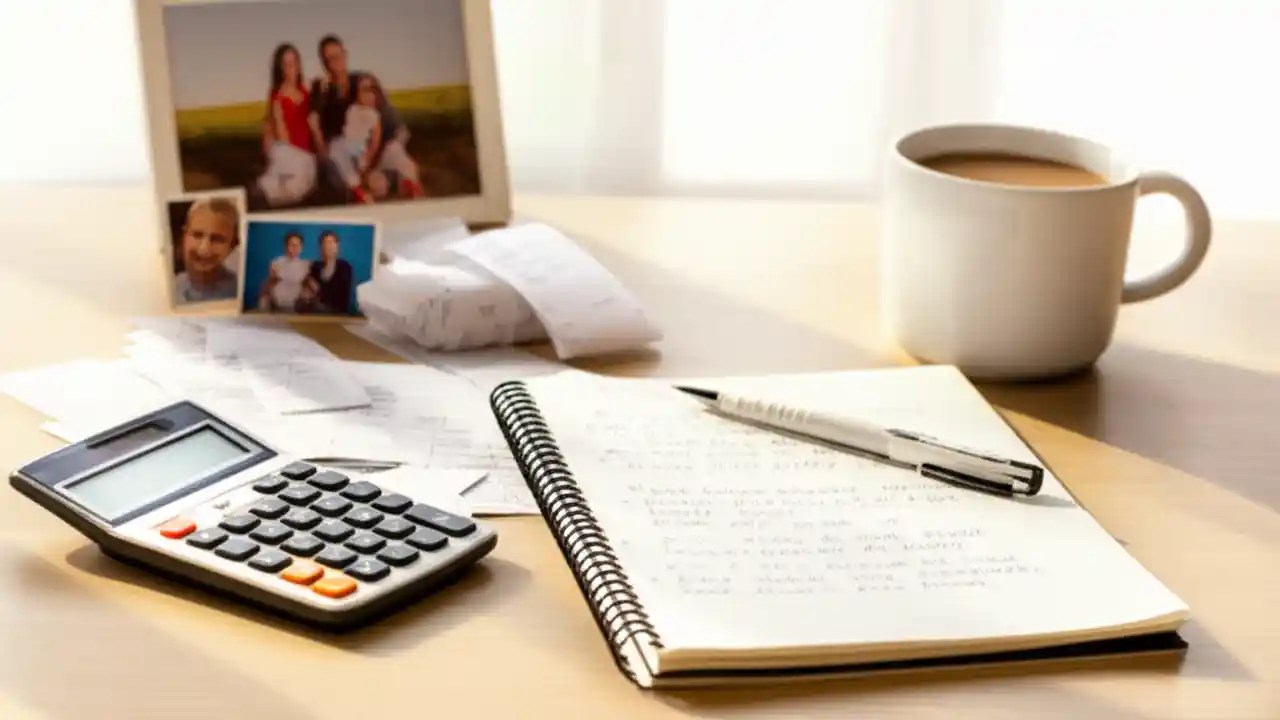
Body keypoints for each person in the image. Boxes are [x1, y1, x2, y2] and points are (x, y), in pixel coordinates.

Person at [310, 34, 424, 202]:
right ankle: (365, 188)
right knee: (336, 162)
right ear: (323, 63)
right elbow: (327, 137)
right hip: (353, 159)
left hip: (379, 149)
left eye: (337, 56)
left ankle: (406, 185)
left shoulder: (364, 81)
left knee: (396, 153)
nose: (333, 63)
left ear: (345, 55)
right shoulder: (325, 95)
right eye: (327, 59)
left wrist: (373, 157)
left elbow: (389, 124)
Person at [329, 75, 417, 203]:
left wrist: (367, 161)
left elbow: (375, 141)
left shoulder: (376, 115)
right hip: (351, 155)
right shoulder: (351, 110)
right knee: (337, 146)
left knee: (395, 149)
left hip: (370, 158)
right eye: (364, 91)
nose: (369, 95)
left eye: (372, 91)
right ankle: (357, 190)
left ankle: (410, 184)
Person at [256, 44, 321, 207]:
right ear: (280, 69)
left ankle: (272, 189)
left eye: (294, 62)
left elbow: (314, 122)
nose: (291, 68)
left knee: (300, 180)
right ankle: (269, 189)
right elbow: (278, 131)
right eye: (286, 64)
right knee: (301, 167)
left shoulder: (306, 92)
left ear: (299, 64)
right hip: (286, 148)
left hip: (305, 151)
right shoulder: (277, 94)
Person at [174, 198, 240, 303]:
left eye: (217, 239)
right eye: (197, 235)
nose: (204, 248)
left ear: (232, 246)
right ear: (184, 236)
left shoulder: (237, 293)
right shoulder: (173, 285)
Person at [300, 230, 354, 314]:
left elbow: (341, 298)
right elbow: (308, 287)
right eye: (324, 243)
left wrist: (318, 289)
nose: (327, 246)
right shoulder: (315, 266)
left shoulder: (345, 267)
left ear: (337, 247)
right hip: (315, 307)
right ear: (320, 248)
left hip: (335, 311)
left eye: (331, 243)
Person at [258, 231, 311, 312]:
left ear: (301, 247)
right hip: (277, 303)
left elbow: (309, 287)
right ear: (286, 246)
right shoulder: (276, 262)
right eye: (291, 244)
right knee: (264, 299)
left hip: (296, 305)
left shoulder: (306, 265)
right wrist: (271, 280)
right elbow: (267, 286)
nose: (294, 248)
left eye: (297, 245)